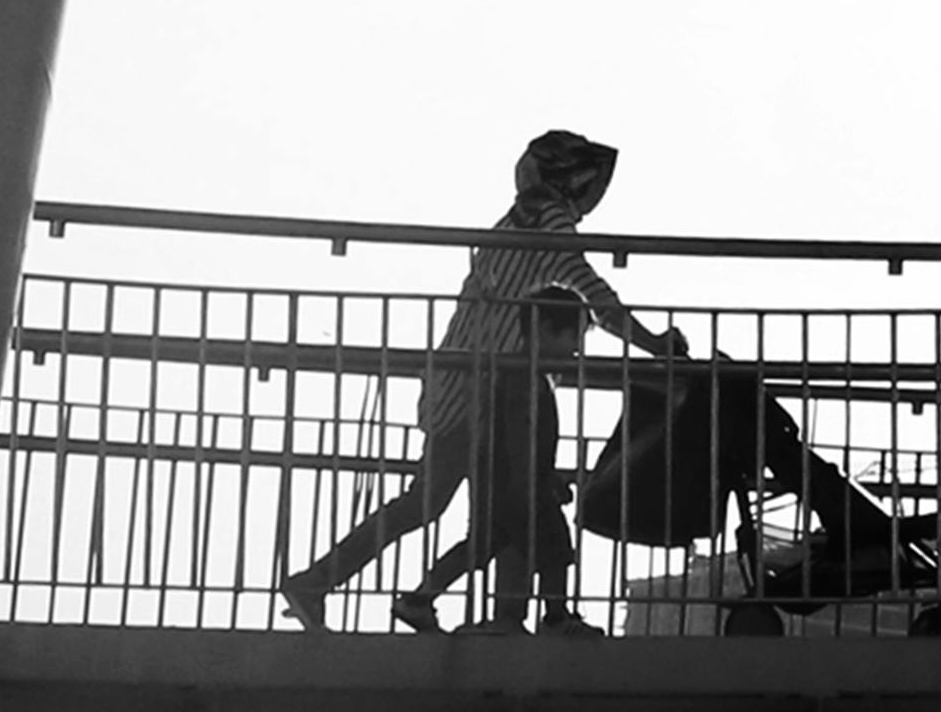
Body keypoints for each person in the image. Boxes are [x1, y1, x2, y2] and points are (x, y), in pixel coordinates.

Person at [277, 128, 688, 632]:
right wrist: (653, 343)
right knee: (476, 505)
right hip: (485, 390)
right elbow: (591, 292)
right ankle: (470, 608)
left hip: (461, 380)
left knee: (468, 508)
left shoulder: (516, 218)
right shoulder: (551, 220)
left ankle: (396, 595)